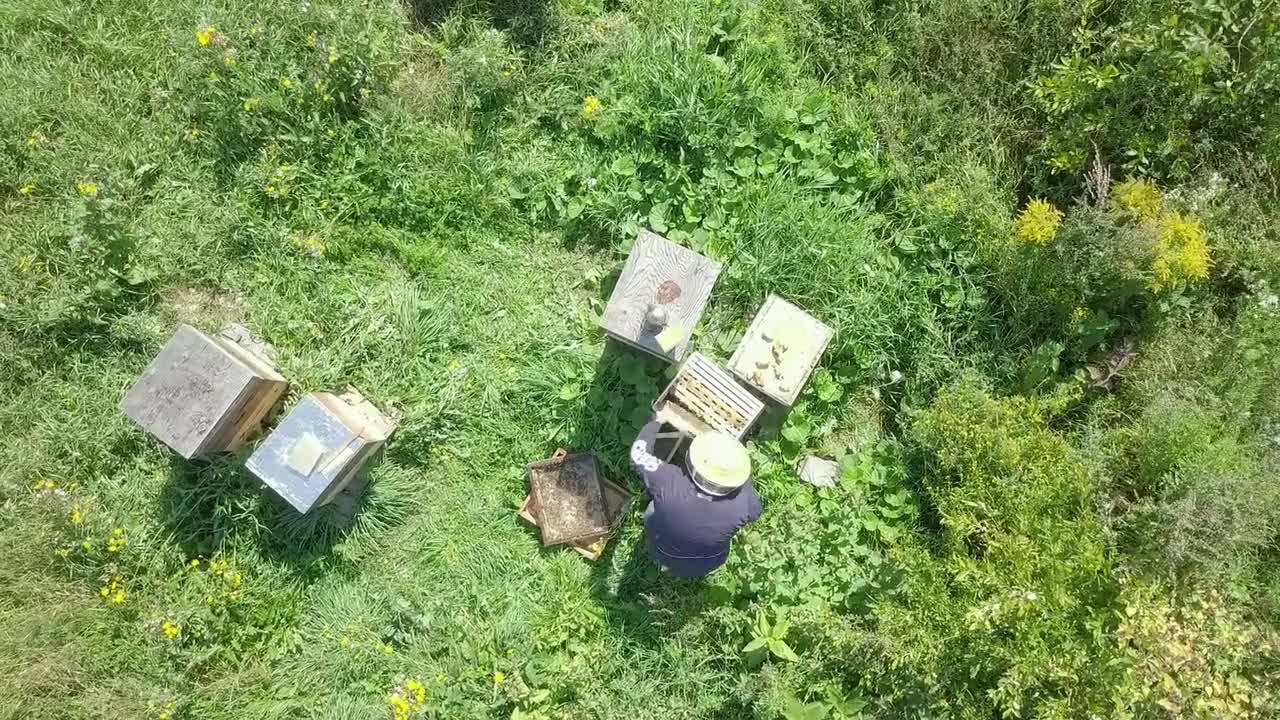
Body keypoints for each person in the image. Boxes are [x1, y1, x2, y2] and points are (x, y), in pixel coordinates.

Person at [630, 419, 763, 578]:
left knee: (652, 508)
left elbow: (637, 455)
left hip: (663, 552)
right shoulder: (745, 500)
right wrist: (742, 477)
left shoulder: (668, 481)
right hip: (711, 561)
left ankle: (658, 559)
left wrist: (656, 421)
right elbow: (756, 511)